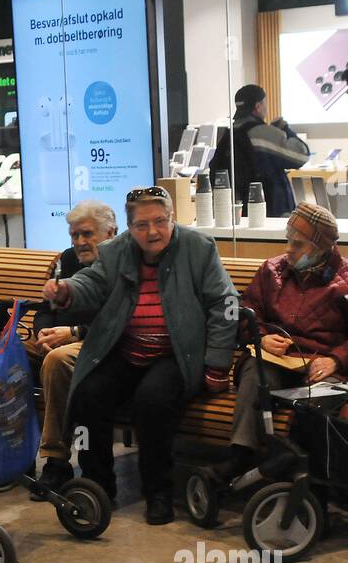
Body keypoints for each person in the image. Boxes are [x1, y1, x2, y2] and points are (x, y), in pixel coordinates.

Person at [43, 186, 237, 525]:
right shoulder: (115, 252)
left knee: (153, 400)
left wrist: (218, 364)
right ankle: (98, 487)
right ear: (129, 228)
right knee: (88, 393)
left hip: (177, 353)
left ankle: (158, 492)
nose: (152, 231)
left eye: (160, 222)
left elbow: (226, 304)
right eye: (142, 225)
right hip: (125, 349)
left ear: (172, 220)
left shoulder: (198, 248)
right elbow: (93, 283)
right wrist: (67, 292)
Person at [209, 203, 348, 483]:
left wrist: (336, 359)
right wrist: (261, 338)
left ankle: (307, 475)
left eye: (298, 244)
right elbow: (246, 314)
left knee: (321, 399)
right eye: (288, 241)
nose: (289, 249)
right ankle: (241, 455)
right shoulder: (271, 271)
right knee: (256, 371)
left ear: (322, 246)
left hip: (322, 365)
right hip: (278, 360)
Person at [30, 200, 118, 497]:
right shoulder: (66, 260)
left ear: (110, 233)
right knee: (6, 357)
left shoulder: (122, 265)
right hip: (60, 338)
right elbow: (46, 307)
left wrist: (71, 333)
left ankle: (55, 461)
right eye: (75, 235)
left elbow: (120, 321)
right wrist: (41, 330)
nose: (80, 242)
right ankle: (11, 456)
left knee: (56, 360)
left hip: (99, 343)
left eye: (87, 234)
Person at [208, 84, 310, 217]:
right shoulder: (263, 133)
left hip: (239, 214)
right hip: (270, 211)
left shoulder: (228, 136)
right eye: (265, 103)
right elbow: (301, 155)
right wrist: (284, 128)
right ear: (258, 106)